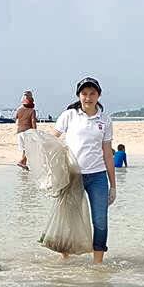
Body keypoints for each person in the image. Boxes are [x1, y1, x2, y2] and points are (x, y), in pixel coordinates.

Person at [53, 77, 117, 264]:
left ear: (99, 95)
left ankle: (98, 263)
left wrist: (113, 185)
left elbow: (107, 153)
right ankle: (64, 257)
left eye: (92, 93)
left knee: (100, 220)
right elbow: (53, 140)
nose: (88, 98)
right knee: (68, 218)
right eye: (84, 94)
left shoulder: (105, 120)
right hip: (72, 175)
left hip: (97, 176)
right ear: (78, 95)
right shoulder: (69, 115)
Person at [15, 90, 38, 170]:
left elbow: (16, 119)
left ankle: (24, 165)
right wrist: (35, 131)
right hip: (27, 132)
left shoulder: (19, 110)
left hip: (19, 132)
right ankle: (22, 161)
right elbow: (33, 121)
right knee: (30, 149)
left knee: (24, 150)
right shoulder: (32, 111)